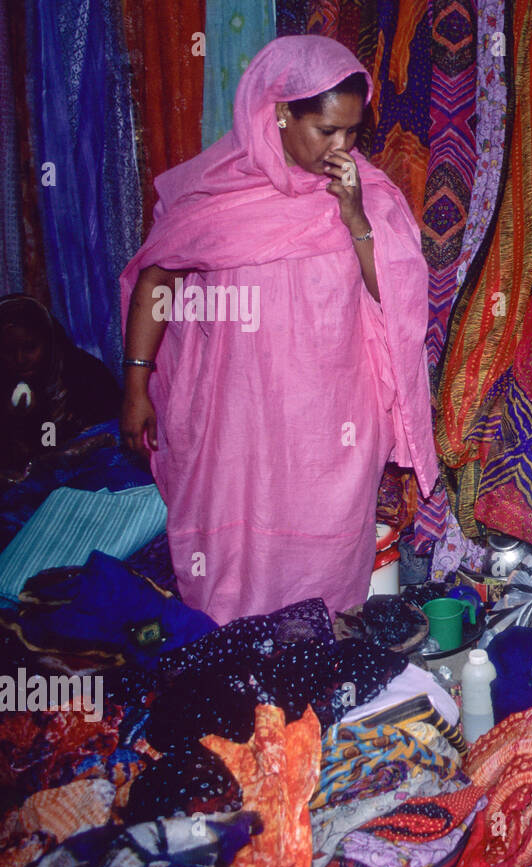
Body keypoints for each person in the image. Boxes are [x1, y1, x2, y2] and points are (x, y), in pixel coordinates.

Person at [118, 36, 436, 626]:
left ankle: (318, 657)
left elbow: (392, 296)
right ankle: (233, 663)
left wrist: (355, 217)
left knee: (325, 554)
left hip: (331, 425)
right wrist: (137, 384)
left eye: (352, 132)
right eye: (326, 131)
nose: (340, 147)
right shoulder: (218, 192)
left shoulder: (367, 195)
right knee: (235, 555)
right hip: (240, 420)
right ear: (280, 112)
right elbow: (157, 277)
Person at [1, 294, 122, 476]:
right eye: (8, 351)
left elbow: (108, 439)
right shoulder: (5, 381)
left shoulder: (86, 376)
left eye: (30, 347)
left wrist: (37, 420)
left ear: (49, 341)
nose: (20, 359)